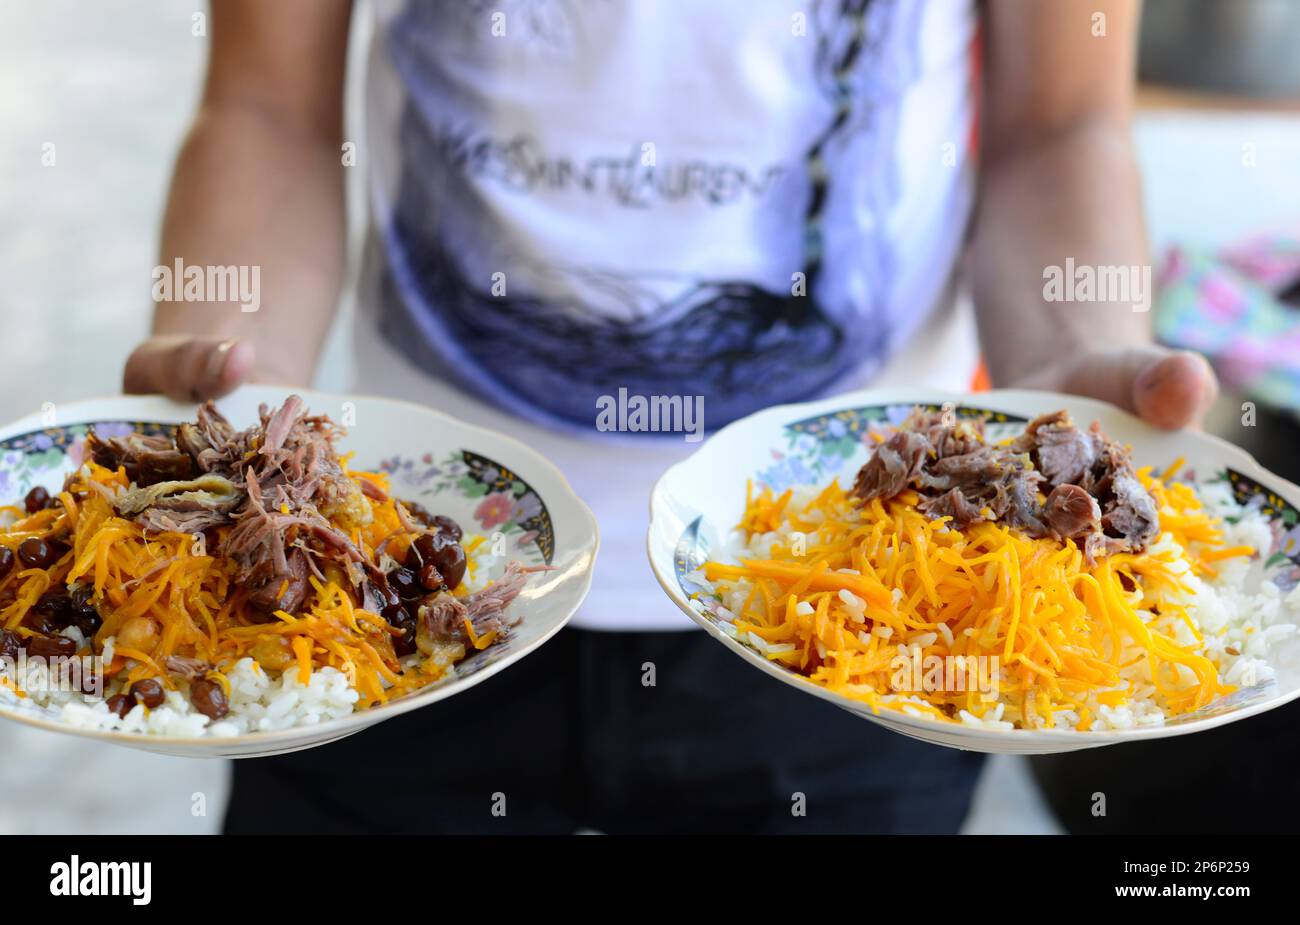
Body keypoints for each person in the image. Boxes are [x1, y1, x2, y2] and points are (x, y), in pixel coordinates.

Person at [123, 0, 1218, 833]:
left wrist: (1065, 361)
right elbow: (268, 103)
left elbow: (1059, 120)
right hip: (388, 588)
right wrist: (233, 389)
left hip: (865, 618)